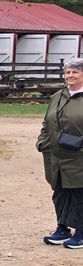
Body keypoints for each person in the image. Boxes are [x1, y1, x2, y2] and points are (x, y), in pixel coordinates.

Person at [37, 58, 83, 248]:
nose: (70, 76)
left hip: (78, 156)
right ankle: (62, 228)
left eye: (75, 72)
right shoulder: (57, 96)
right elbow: (47, 122)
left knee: (78, 193)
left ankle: (81, 232)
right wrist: (42, 142)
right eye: (68, 72)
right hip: (55, 155)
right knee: (60, 192)